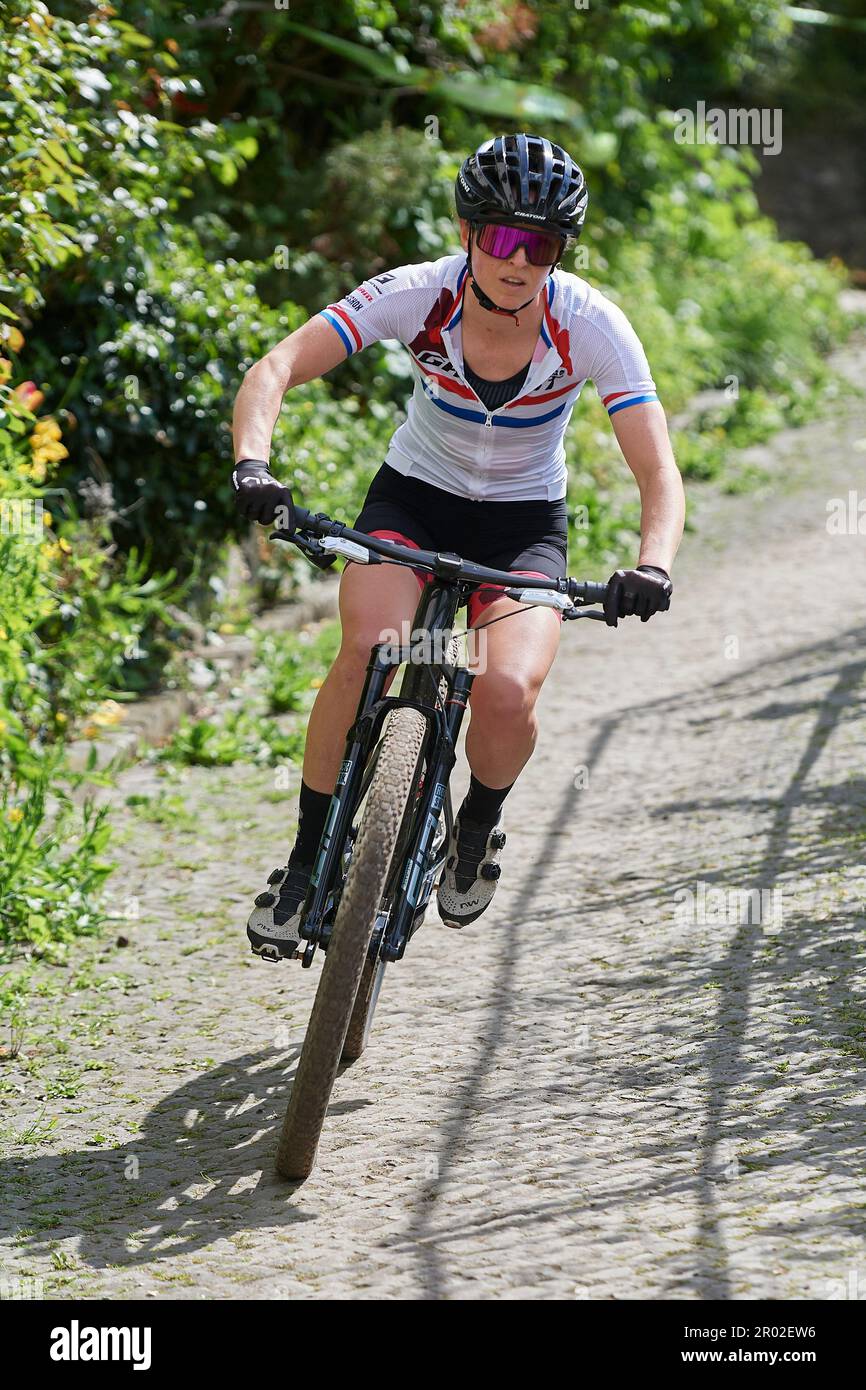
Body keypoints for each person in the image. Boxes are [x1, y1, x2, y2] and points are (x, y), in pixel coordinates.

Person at [231, 132, 685, 959]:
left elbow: (657, 469)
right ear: (469, 231)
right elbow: (278, 367)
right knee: (370, 645)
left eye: (539, 244)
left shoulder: (589, 324)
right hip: (414, 500)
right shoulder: (416, 293)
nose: (518, 260)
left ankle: (476, 827)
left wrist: (653, 563)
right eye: (502, 236)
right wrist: (254, 466)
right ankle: (304, 862)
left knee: (508, 688)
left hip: (523, 521)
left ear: (560, 253)